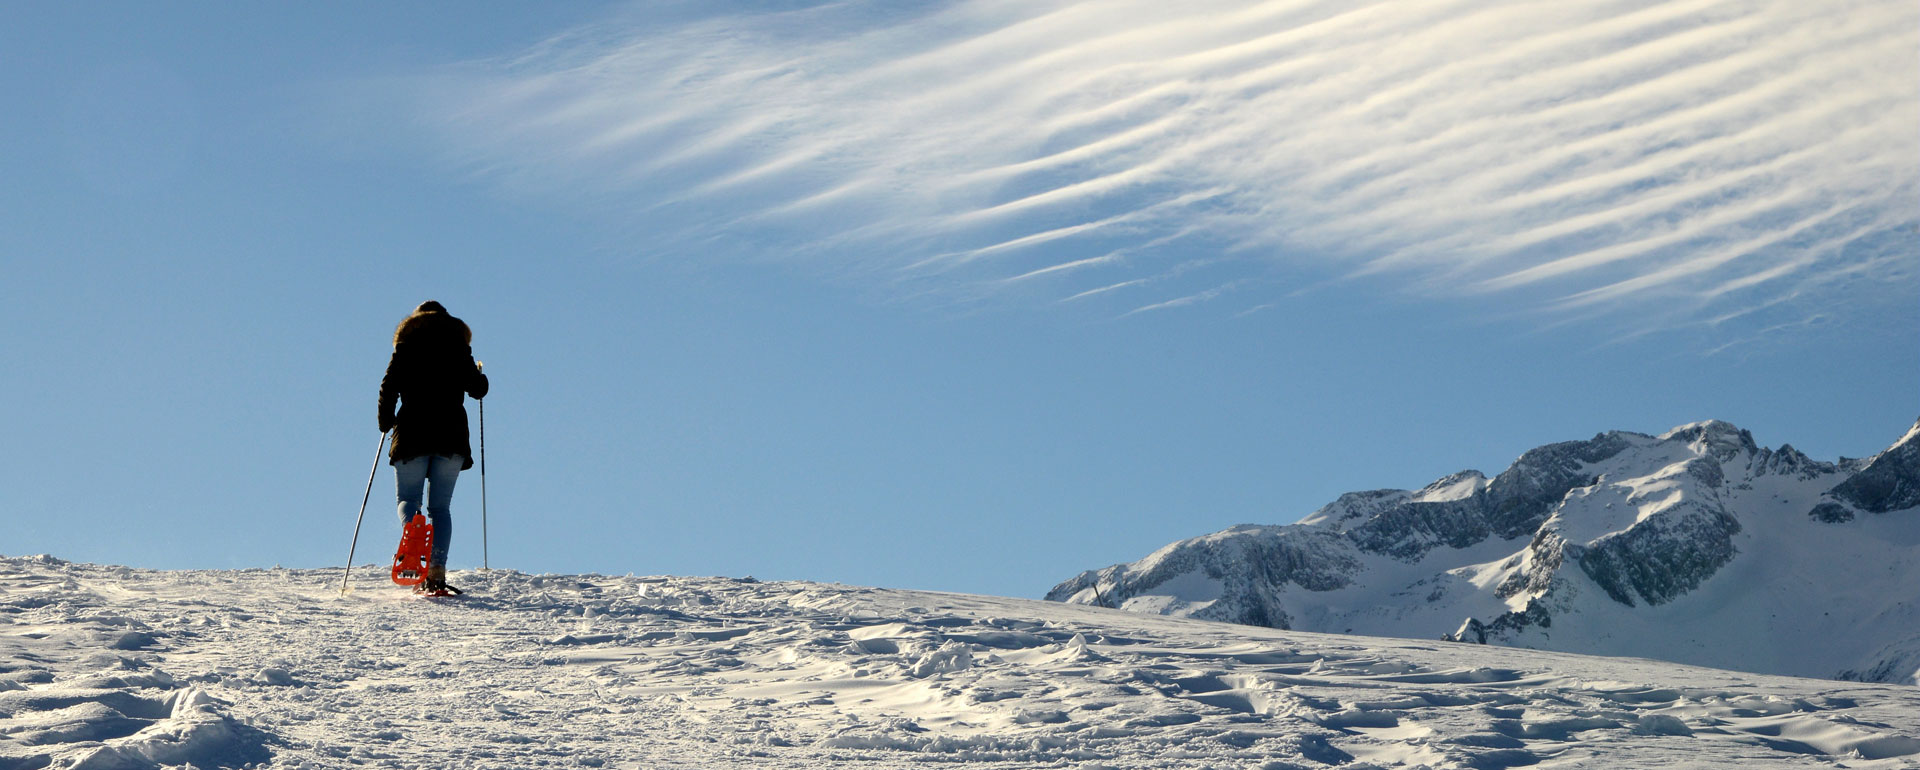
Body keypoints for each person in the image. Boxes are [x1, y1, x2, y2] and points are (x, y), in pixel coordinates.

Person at [378, 301, 488, 594]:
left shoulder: (405, 347)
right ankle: (436, 567)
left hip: (411, 433)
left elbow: (388, 386)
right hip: (450, 436)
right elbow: (477, 389)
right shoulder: (458, 348)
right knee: (441, 508)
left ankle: (413, 529)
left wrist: (385, 420)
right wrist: (481, 375)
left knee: (408, 499)